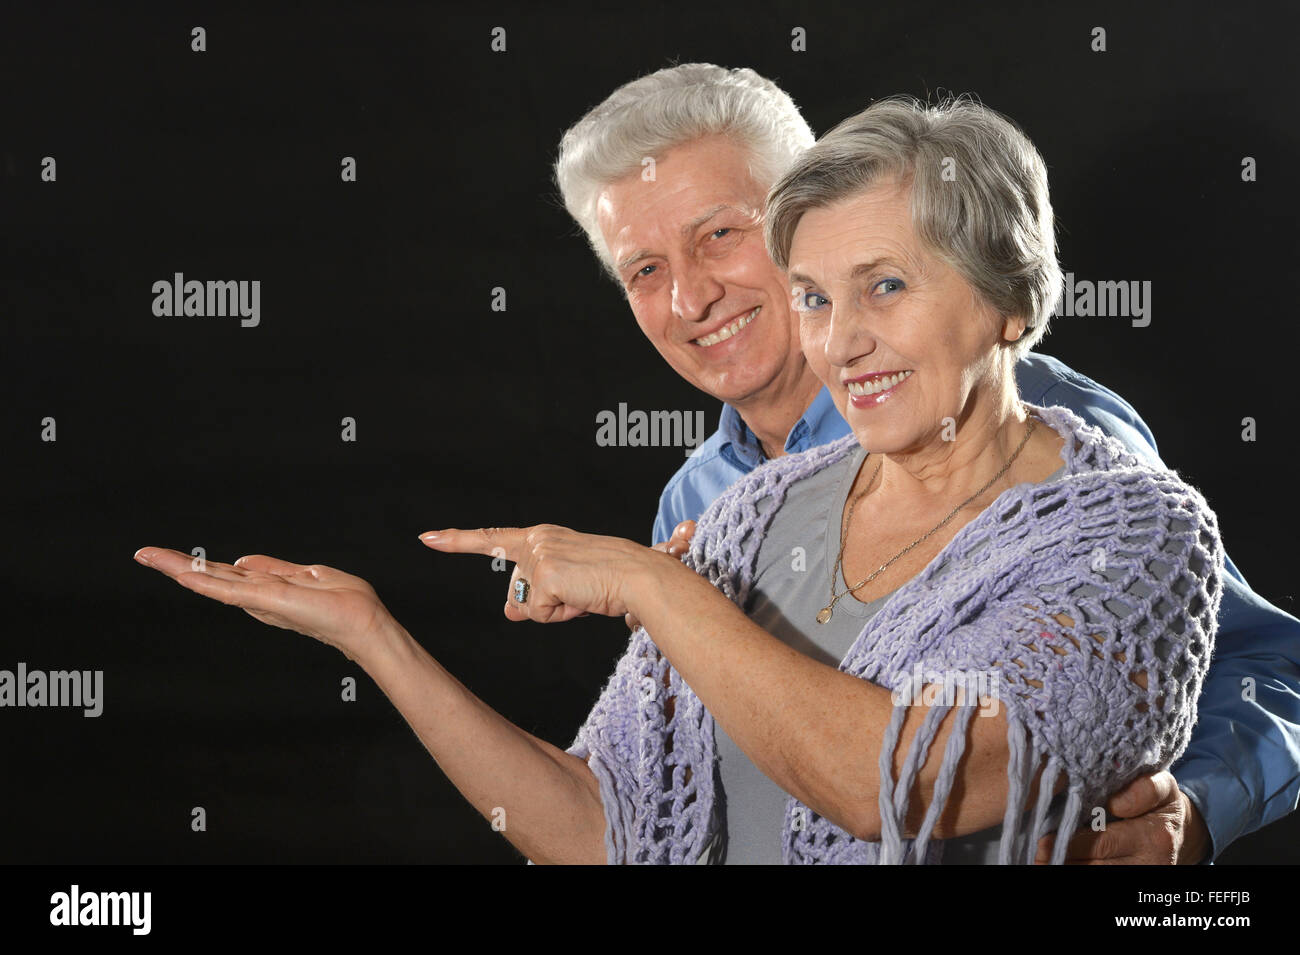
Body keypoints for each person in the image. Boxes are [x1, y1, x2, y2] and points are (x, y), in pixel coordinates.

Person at [138, 95, 1226, 865]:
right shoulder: (738, 511)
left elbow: (902, 791)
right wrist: (374, 636)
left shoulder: (1123, 519)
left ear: (1008, 302)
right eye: (814, 297)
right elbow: (604, 828)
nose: (840, 341)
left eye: (884, 285)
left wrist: (1196, 820)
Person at [552, 64, 1300, 863]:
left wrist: (1194, 814)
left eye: (719, 236)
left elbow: (1266, 663)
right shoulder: (697, 497)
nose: (690, 299)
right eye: (645, 270)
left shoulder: (1046, 429)